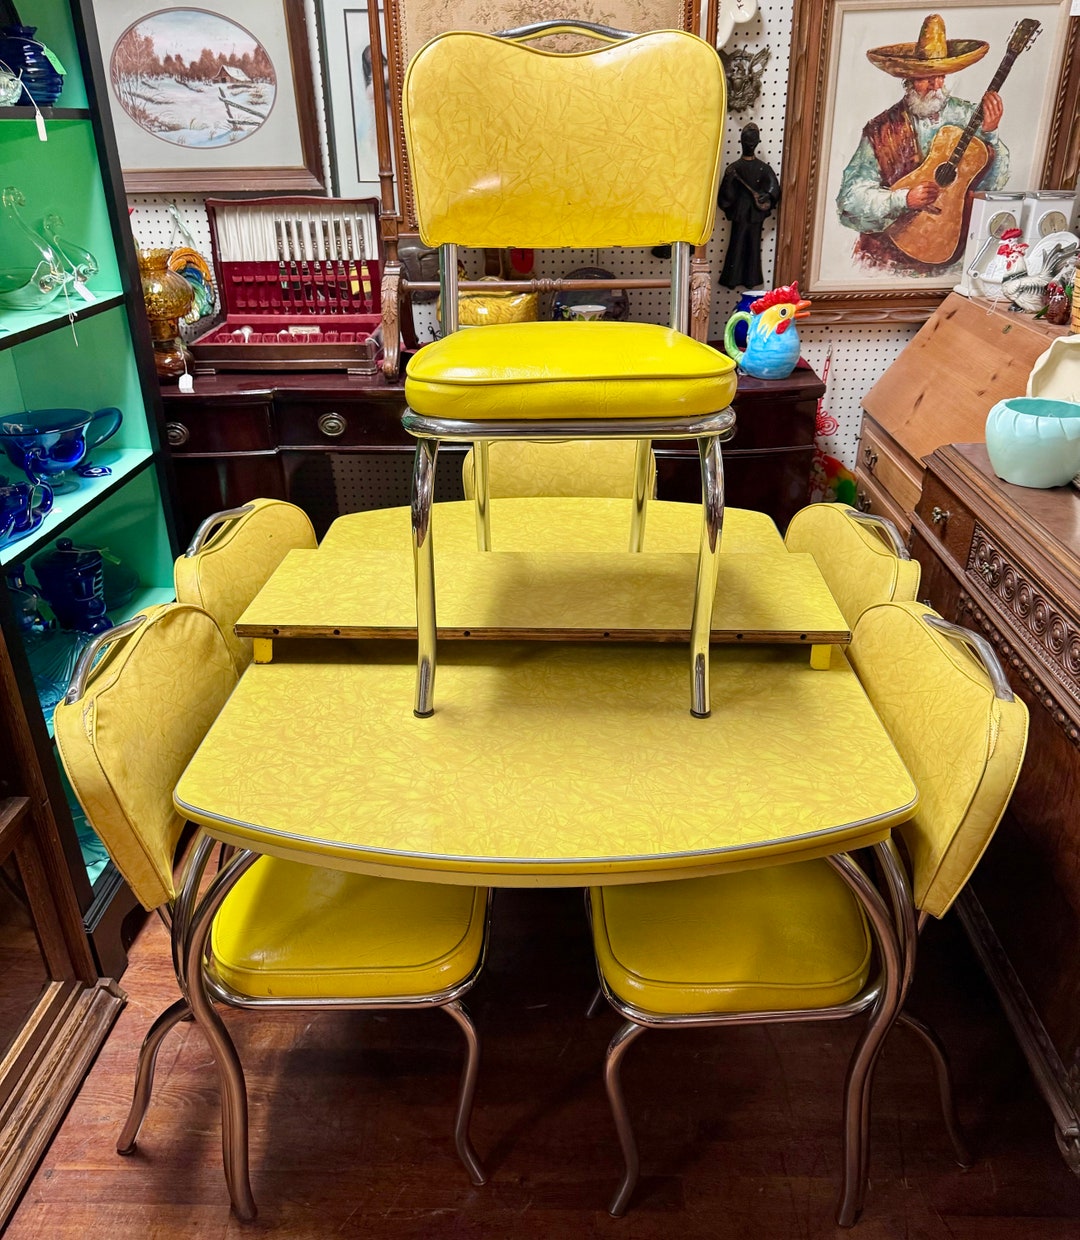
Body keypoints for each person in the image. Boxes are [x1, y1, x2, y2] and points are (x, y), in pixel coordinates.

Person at [836, 12, 1010, 272]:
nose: (936, 85)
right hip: (889, 259)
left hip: (952, 254)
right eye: (926, 76)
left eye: (941, 75)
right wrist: (902, 200)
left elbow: (995, 184)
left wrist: (990, 135)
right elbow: (849, 201)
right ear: (908, 78)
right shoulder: (881, 129)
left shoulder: (969, 116)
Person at [717, 122, 781, 289]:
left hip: (754, 213)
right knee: (736, 245)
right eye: (747, 143)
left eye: (752, 143)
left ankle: (752, 279)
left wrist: (766, 195)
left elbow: (774, 188)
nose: (749, 146)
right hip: (740, 213)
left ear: (757, 143)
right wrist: (730, 182)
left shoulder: (762, 168)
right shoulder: (734, 169)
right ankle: (731, 279)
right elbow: (726, 195)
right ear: (741, 142)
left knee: (753, 245)